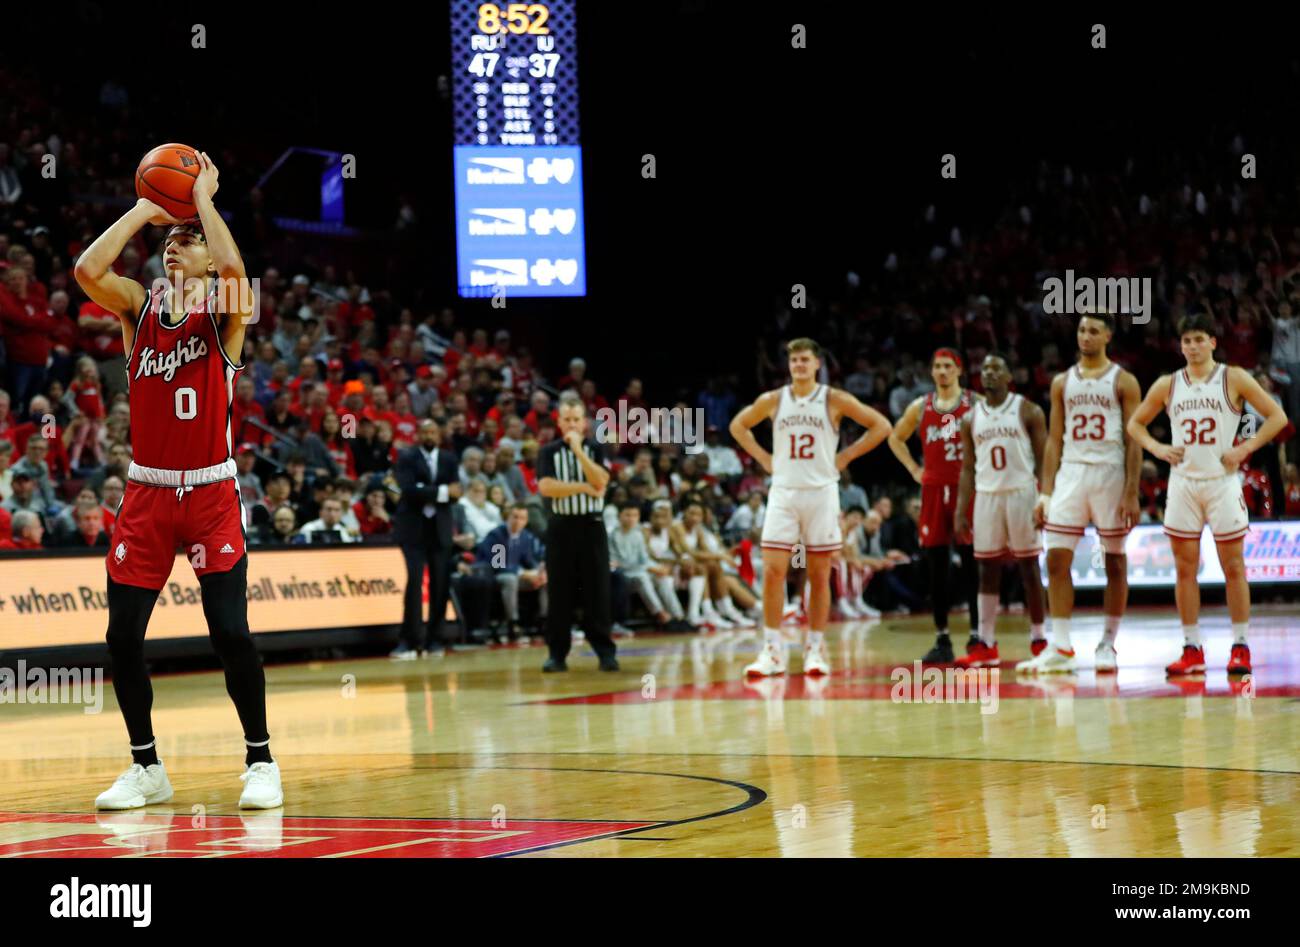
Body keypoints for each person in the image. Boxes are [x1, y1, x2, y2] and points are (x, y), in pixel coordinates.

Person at [73, 152, 282, 810]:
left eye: (186, 240)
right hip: (148, 492)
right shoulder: (137, 308)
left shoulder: (225, 314)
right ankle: (145, 767)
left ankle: (260, 759)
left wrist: (204, 201)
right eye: (169, 242)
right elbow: (86, 271)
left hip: (212, 493)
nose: (174, 248)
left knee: (231, 632)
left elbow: (237, 273)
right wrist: (143, 208)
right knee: (121, 637)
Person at [1126, 313, 1288, 676]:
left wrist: (1244, 449)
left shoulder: (1233, 376)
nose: (1193, 346)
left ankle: (1241, 646)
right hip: (1183, 483)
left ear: (1213, 342)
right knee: (1184, 569)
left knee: (1234, 567)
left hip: (1221, 481)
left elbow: (1276, 417)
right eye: (1186, 341)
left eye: (1199, 339)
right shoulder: (1168, 384)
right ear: (1180, 346)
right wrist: (1157, 447)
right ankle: (1191, 648)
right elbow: (1134, 424)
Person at [729, 337, 893, 678]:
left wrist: (846, 456)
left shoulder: (833, 398)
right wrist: (763, 458)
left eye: (805, 360)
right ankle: (772, 650)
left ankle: (815, 648)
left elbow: (881, 426)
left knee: (819, 575)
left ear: (817, 364)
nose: (799, 365)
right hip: (784, 492)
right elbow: (737, 425)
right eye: (794, 361)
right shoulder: (774, 399)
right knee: (774, 571)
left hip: (821, 493)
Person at [1020, 312, 1142, 674]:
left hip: (1110, 473)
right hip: (1072, 472)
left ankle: (1108, 642)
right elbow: (1054, 439)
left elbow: (1132, 439)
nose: (1085, 336)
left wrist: (1132, 491)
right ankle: (1061, 645)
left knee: (1115, 561)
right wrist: (1046, 492)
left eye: (1093, 330)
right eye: (1081, 330)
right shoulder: (1062, 382)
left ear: (1107, 336)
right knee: (1056, 560)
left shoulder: (1125, 381)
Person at [953, 353, 1047, 669]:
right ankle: (986, 642)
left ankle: (1039, 638)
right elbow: (967, 467)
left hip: (1022, 493)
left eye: (996, 368)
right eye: (985, 368)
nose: (989, 373)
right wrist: (960, 509)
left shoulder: (1028, 410)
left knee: (1029, 567)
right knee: (987, 569)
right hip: (987, 495)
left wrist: (1045, 497)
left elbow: (1044, 459)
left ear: (1009, 376)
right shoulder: (969, 418)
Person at [887, 347, 980, 663]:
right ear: (932, 371)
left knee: (971, 563)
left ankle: (978, 635)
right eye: (937, 366)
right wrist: (915, 469)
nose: (941, 371)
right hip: (933, 489)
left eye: (947, 366)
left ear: (959, 370)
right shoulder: (920, 406)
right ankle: (942, 638)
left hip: (967, 489)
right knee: (936, 567)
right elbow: (894, 438)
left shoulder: (974, 403)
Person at [536, 392, 619, 672]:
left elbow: (602, 481)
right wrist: (583, 487)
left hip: (591, 526)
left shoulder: (596, 448)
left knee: (598, 590)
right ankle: (557, 654)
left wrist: (579, 452)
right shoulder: (547, 452)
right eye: (567, 420)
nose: (571, 425)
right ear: (559, 423)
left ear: (584, 423)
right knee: (560, 592)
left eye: (576, 420)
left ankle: (605, 652)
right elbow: (547, 488)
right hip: (560, 527)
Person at [392, 419, 462, 659]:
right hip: (413, 530)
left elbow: (457, 492)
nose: (429, 435)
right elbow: (409, 491)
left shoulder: (450, 458)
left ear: (439, 435)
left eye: (433, 431)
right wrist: (442, 491)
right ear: (418, 435)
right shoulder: (407, 457)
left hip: (440, 529)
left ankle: (435, 640)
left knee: (440, 585)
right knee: (414, 583)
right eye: (425, 431)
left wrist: (428, 490)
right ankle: (409, 641)